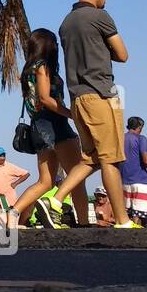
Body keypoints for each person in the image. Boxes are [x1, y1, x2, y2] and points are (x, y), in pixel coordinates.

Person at [37, 0, 139, 229]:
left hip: (78, 99)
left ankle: (56, 201)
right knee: (111, 159)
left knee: (91, 158)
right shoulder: (100, 17)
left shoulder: (66, 22)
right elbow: (123, 54)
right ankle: (124, 221)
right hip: (101, 95)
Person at [7, 29, 89, 228]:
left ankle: (13, 213)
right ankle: (85, 223)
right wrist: (71, 114)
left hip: (38, 127)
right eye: (54, 43)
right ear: (47, 45)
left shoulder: (28, 70)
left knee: (46, 181)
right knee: (76, 176)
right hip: (55, 125)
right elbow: (45, 98)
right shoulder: (42, 66)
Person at [121, 116, 147, 224]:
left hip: (123, 179)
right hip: (139, 180)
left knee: (126, 212)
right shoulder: (141, 139)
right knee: (138, 213)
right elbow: (145, 160)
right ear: (140, 126)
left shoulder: (121, 138)